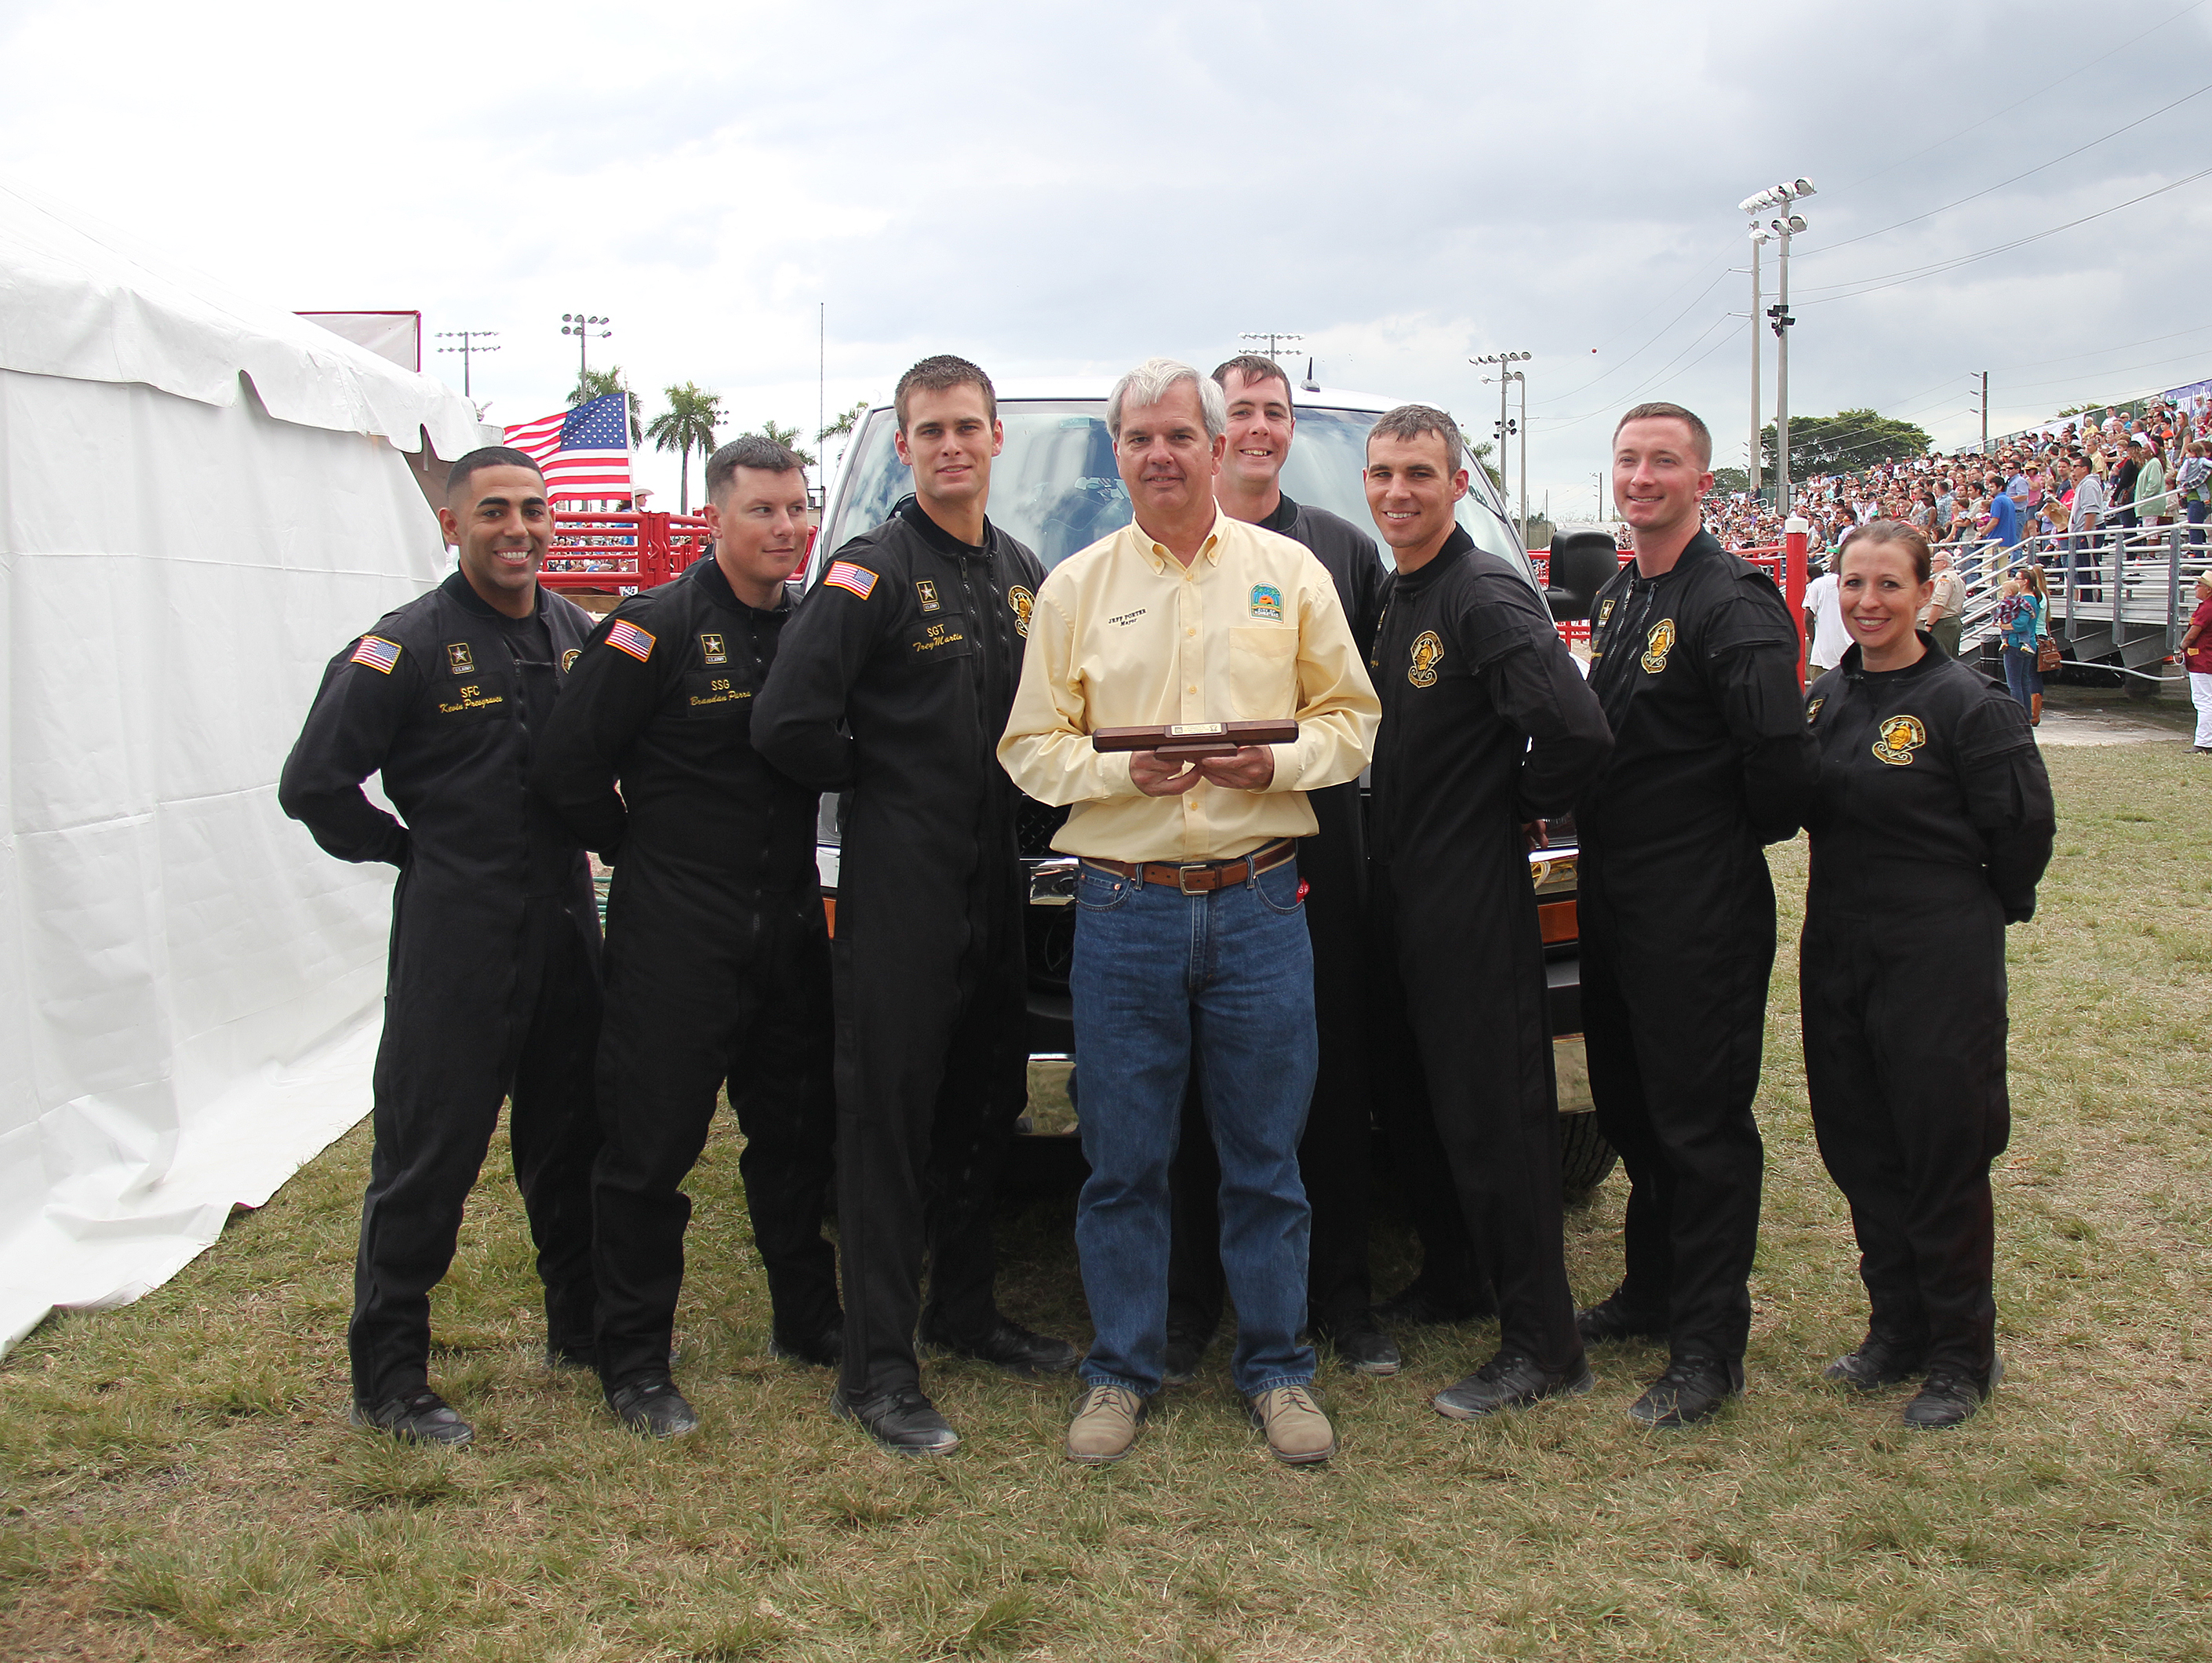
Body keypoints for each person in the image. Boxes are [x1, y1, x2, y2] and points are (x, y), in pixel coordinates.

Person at [998, 357, 1380, 1466]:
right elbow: (1030, 749)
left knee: (1267, 1155)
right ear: (1114, 453)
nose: (1159, 453)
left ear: (1218, 447)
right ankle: (1120, 1369)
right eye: (1138, 437)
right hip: (1125, 913)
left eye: (1179, 434)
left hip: (1262, 904)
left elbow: (1353, 723)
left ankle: (1277, 1369)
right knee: (1123, 1161)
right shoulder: (1073, 590)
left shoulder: (1290, 572)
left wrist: (1275, 763)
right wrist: (1123, 781)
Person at [753, 355, 1076, 1457]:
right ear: (904, 446)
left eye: (966, 428)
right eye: (929, 429)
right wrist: (884, 775)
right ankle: (877, 1369)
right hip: (899, 885)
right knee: (886, 1126)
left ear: (995, 443)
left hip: (998, 881)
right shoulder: (868, 570)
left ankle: (968, 1310)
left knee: (982, 1105)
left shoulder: (1022, 572)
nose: (949, 446)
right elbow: (787, 721)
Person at [278, 448, 604, 1446]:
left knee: (572, 1141)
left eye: (534, 511)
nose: (519, 529)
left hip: (562, 926)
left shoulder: (577, 635)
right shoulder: (403, 646)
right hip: (455, 938)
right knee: (428, 1153)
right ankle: (390, 1376)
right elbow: (313, 784)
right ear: (451, 525)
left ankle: (582, 1329)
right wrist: (405, 851)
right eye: (494, 511)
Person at [530, 436, 839, 1438]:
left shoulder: (815, 625)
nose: (785, 528)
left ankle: (809, 1319)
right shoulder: (651, 627)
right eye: (762, 510)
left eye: (797, 508)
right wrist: (641, 853)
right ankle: (633, 1360)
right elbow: (569, 767)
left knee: (795, 1138)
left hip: (790, 922)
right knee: (650, 1150)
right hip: (678, 933)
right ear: (715, 517)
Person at [1358, 406, 1615, 1420]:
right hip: (1405, 892)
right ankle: (1457, 1276)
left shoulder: (1483, 592)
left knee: (1498, 1123)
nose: (1397, 491)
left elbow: (1576, 732)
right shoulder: (1401, 591)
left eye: (1419, 472)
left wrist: (1508, 804)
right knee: (1426, 1106)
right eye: (1382, 473)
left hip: (1470, 898)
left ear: (1458, 483)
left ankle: (1544, 1347)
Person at [1574, 402, 1817, 1428]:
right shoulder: (1627, 586)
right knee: (1632, 1110)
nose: (1641, 477)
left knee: (1700, 1126)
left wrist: (1702, 847)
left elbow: (1784, 774)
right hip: (1617, 896)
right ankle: (1654, 1292)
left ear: (1701, 481)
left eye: (1662, 462)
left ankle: (1710, 1350)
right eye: (1628, 459)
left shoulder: (1734, 602)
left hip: (1697, 905)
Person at [1161, 355, 1399, 1382]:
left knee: (1329, 1081)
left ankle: (1341, 1293)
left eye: (1273, 412)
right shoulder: (1158, 554)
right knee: (1192, 1092)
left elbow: (1377, 712)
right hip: (1198, 860)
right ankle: (1186, 1305)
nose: (1257, 428)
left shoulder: (1342, 551)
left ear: (1288, 430)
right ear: (1212, 432)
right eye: (1238, 412)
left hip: (1321, 861)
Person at [1800, 520, 2054, 1428]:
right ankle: (1895, 1331)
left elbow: (2022, 829)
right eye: (1854, 584)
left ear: (1924, 594)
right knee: (1861, 1143)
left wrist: (1979, 912)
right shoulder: (1827, 697)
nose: (1870, 602)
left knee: (1941, 1150)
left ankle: (1959, 1354)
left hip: (1937, 954)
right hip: (1837, 949)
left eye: (1889, 585)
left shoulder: (1966, 702)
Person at [2067, 455, 2105, 602]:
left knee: (2089, 568)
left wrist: (2086, 533)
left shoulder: (2089, 484)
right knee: (2083, 569)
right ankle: (2087, 598)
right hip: (2081, 532)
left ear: (2085, 468)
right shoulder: (2083, 485)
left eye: (2076, 466)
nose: (2073, 469)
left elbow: (2091, 511)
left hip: (2088, 532)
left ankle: (2093, 600)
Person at [2181, 570, 2212, 754]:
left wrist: (2182, 646)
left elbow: (2194, 633)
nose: (2196, 588)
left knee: (2203, 701)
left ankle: (2204, 742)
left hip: (2202, 661)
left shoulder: (2207, 608)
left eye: (2199, 585)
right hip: (2205, 660)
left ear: (2208, 590)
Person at [1803, 560, 1850, 675]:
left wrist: (1813, 638)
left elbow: (1808, 618)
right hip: (1851, 653)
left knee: (1820, 692)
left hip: (1822, 655)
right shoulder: (1859, 585)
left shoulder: (1819, 584)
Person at [1921, 550, 1966, 660]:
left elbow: (1938, 605)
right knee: (1951, 660)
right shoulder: (1957, 578)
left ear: (1944, 563)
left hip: (1942, 623)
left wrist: (1929, 624)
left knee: (1939, 661)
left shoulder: (1944, 579)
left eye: (1935, 561)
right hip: (1951, 621)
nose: (1932, 564)